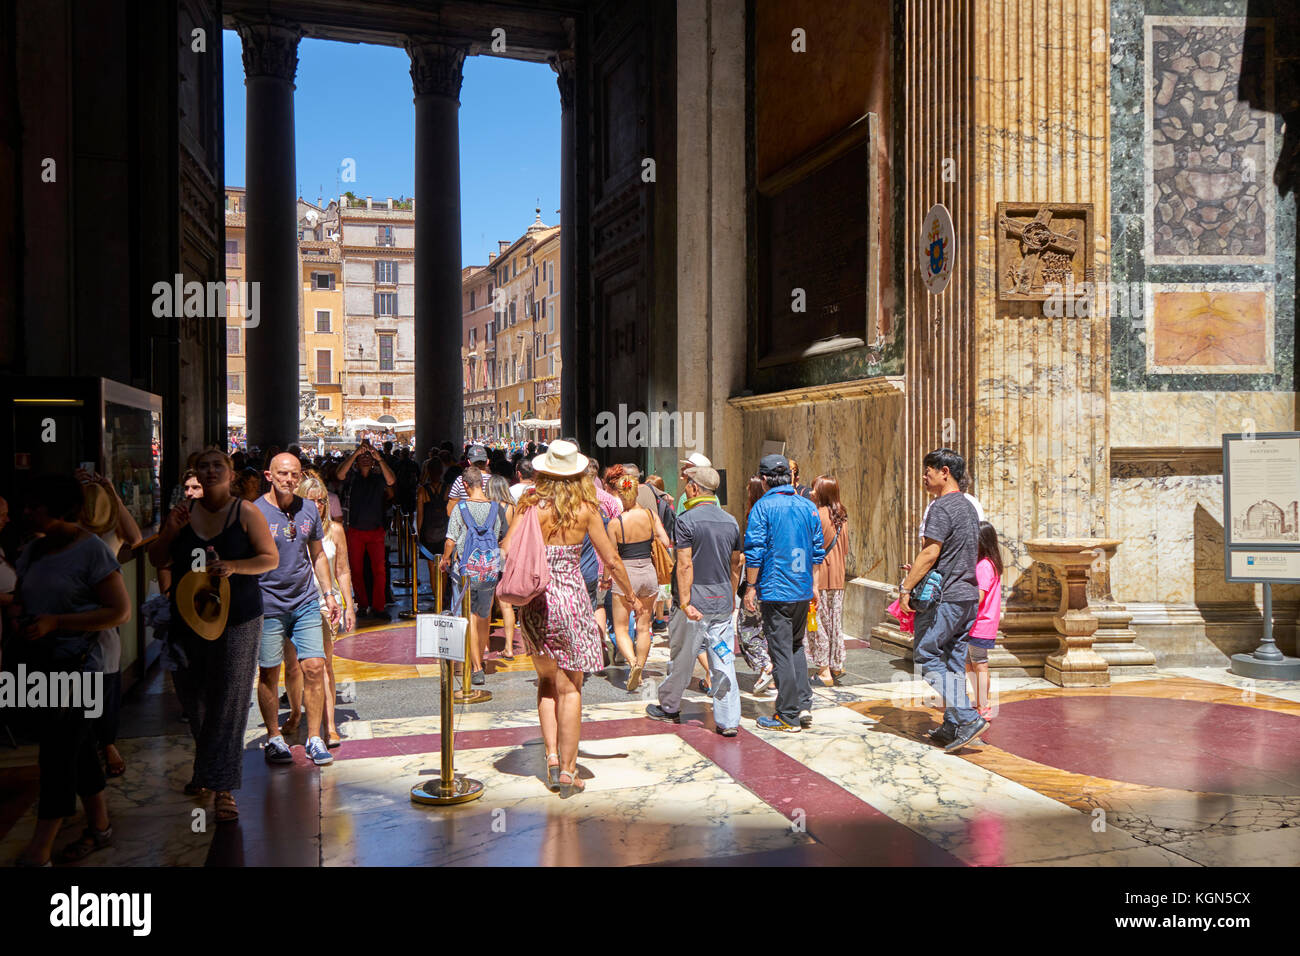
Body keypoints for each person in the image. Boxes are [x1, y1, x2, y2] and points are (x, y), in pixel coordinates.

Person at [502, 441, 640, 796]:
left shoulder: (529, 506)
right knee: (571, 688)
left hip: (536, 603)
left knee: (546, 683)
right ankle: (567, 770)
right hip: (573, 602)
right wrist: (629, 594)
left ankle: (549, 757)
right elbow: (611, 559)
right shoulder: (586, 509)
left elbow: (506, 549)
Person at [147, 447, 278, 823]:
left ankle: (222, 786)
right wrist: (170, 531)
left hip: (238, 617)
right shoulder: (183, 515)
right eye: (202, 466)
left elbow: (270, 558)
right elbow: (158, 559)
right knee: (194, 698)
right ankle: (208, 766)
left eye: (216, 465)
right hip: (189, 616)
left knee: (230, 702)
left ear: (230, 471)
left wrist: (235, 566)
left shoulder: (245, 511)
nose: (209, 471)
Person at [12, 476, 132, 865]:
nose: (27, 512)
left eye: (36, 505)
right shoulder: (32, 550)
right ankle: (100, 827)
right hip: (42, 666)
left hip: (83, 669)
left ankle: (40, 850)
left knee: (57, 756)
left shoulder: (92, 551)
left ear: (58, 508)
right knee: (76, 751)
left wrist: (56, 623)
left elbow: (119, 611)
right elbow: (24, 598)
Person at [254, 454, 342, 768]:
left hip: (305, 601)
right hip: (268, 604)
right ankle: (275, 737)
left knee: (315, 667)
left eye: (293, 474)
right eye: (282, 474)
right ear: (269, 475)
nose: (288, 480)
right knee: (269, 672)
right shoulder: (255, 512)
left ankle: (315, 737)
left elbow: (317, 554)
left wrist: (329, 594)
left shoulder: (308, 509)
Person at [898, 448, 986, 752]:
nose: (924, 477)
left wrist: (906, 587)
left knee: (925, 655)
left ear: (944, 472)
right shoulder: (969, 507)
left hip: (945, 599)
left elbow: (931, 552)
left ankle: (967, 717)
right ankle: (952, 724)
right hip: (967, 596)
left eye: (928, 471)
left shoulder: (941, 507)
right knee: (953, 661)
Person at [645, 465, 743, 735]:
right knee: (723, 661)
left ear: (695, 488)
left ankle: (670, 706)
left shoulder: (686, 520)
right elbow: (736, 564)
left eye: (687, 483)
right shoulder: (731, 521)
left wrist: (686, 602)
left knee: (683, 657)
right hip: (721, 600)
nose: (685, 487)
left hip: (694, 601)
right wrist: (731, 596)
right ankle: (728, 720)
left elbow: (684, 564)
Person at [744, 454, 823, 733]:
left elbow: (755, 551)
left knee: (780, 651)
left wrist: (750, 587)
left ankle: (787, 714)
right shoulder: (808, 506)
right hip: (802, 588)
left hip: (776, 590)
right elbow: (817, 549)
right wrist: (814, 585)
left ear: (764, 480)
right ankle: (802, 705)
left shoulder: (762, 507)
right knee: (796, 646)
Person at [75, 473, 142, 780]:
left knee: (107, 677)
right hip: (72, 614)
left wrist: (113, 493)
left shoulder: (108, 534)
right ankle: (88, 740)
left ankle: (108, 742)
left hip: (105, 614)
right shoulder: (69, 533)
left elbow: (136, 536)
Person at [289, 472, 356, 747]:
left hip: (325, 603)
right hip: (294, 601)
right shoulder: (290, 529)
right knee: (293, 666)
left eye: (321, 501)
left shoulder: (335, 531)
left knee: (324, 664)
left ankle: (329, 725)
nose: (317, 506)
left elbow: (343, 570)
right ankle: (295, 714)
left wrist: (349, 605)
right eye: (311, 500)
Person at [441, 465, 507, 686]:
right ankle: (482, 658)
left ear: (466, 485)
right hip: (489, 568)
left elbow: (451, 539)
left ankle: (476, 666)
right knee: (484, 615)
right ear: (483, 484)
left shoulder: (460, 508)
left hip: (466, 569)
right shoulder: (495, 508)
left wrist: (445, 559)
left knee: (468, 615)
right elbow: (498, 535)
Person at [606, 473, 671, 692]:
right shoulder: (650, 515)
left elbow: (611, 558)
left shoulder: (616, 524)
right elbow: (665, 540)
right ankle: (640, 671)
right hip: (649, 574)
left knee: (622, 627)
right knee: (645, 626)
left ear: (619, 494)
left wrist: (606, 580)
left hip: (627, 575)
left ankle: (632, 663)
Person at [337, 439, 395, 620]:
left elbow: (391, 480)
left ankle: (378, 606)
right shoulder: (352, 478)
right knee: (356, 570)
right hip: (355, 530)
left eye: (368, 457)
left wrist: (379, 459)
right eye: (361, 457)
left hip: (376, 530)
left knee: (380, 570)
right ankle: (362, 604)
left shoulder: (378, 478)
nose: (365, 460)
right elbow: (339, 475)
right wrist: (355, 454)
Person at [810, 474, 850, 687]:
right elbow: (844, 550)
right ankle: (836, 664)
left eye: (815, 488)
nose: (811, 491)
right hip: (838, 577)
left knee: (819, 625)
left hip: (821, 577)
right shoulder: (841, 516)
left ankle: (824, 671)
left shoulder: (817, 515)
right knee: (834, 623)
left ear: (823, 492)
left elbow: (812, 549)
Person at [736, 476, 774, 694]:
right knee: (768, 629)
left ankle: (764, 665)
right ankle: (773, 673)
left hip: (759, 581)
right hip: (777, 581)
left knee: (747, 627)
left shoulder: (756, 514)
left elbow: (754, 552)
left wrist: (750, 585)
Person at [968, 522, 1003, 719]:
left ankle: (984, 704)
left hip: (979, 623)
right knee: (971, 663)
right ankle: (980, 700)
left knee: (979, 663)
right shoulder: (991, 564)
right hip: (980, 623)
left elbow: (978, 597)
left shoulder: (983, 566)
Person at [486, 474, 521, 659]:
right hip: (509, 555)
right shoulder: (514, 508)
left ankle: (484, 645)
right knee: (506, 605)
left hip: (492, 554)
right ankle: (508, 646)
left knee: (487, 603)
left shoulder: (489, 507)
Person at [416, 458, 452, 610]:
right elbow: (451, 512)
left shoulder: (423, 490)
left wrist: (418, 534)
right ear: (442, 471)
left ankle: (437, 598)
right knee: (444, 566)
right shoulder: (448, 488)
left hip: (428, 533)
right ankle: (443, 598)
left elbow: (420, 515)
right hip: (444, 532)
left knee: (432, 567)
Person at [446, 445, 492, 515]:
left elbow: (450, 510)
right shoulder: (495, 481)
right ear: (487, 462)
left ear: (469, 462)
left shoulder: (460, 480)